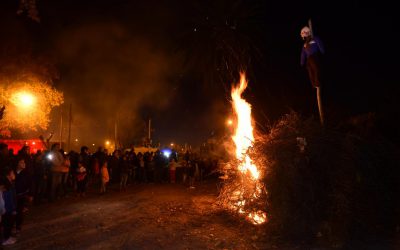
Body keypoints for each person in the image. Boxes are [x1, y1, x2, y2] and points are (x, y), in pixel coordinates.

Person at [14, 157, 33, 236]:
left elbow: (30, 184)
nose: (24, 164)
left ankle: (18, 226)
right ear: (17, 164)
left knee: (19, 212)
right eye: (21, 162)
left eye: (24, 162)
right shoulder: (13, 172)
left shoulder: (26, 173)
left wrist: (31, 194)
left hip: (21, 195)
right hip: (13, 195)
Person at [2, 168, 17, 246]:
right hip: (7, 209)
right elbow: (8, 199)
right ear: (8, 175)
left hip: (8, 208)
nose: (14, 175)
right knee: (7, 224)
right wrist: (13, 209)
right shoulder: (7, 186)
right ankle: (6, 239)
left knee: (9, 223)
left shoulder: (10, 183)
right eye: (12, 173)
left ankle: (7, 236)